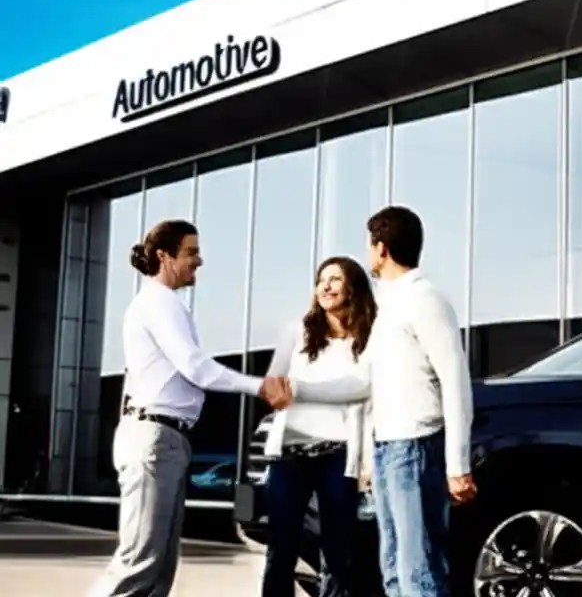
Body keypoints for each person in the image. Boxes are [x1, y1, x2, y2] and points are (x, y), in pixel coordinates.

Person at [90, 220, 291, 597]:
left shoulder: (162, 304)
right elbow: (196, 367)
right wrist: (259, 386)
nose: (199, 260)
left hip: (165, 438)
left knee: (160, 568)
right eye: (191, 252)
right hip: (155, 438)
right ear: (164, 257)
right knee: (140, 560)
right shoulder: (158, 302)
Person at [364, 205, 475, 596]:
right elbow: (371, 384)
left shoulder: (425, 300)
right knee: (393, 571)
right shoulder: (386, 306)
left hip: (416, 449)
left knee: (420, 574)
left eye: (370, 246)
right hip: (386, 449)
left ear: (380, 249)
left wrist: (457, 465)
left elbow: (455, 382)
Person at [259, 256, 378, 597]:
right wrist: (279, 391)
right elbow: (274, 386)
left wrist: (299, 391)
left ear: (352, 286)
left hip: (339, 455)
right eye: (321, 280)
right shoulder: (297, 330)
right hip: (289, 455)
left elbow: (365, 389)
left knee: (338, 552)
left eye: (335, 279)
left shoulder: (369, 337)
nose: (325, 286)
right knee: (280, 549)